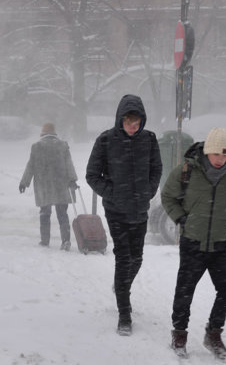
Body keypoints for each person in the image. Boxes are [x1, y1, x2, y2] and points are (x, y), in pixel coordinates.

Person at [161, 127, 226, 361]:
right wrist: (181, 218)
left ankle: (213, 334)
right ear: (207, 152)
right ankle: (179, 334)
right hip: (193, 242)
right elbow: (168, 196)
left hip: (220, 244)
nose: (221, 159)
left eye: (225, 155)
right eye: (216, 154)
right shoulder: (187, 172)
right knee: (185, 290)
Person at [85, 94, 162, 336]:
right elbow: (92, 175)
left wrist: (148, 192)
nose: (133, 127)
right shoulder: (106, 140)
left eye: (137, 123)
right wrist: (113, 194)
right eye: (129, 123)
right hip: (116, 211)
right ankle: (124, 314)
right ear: (121, 120)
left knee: (137, 259)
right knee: (124, 258)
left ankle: (121, 288)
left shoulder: (149, 140)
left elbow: (157, 169)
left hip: (140, 210)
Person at [19, 122, 79, 250]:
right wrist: (72, 179)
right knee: (62, 214)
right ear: (54, 133)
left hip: (44, 185)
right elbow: (69, 164)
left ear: (43, 134)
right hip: (61, 184)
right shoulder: (63, 146)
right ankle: (66, 241)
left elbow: (30, 166)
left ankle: (45, 241)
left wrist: (24, 182)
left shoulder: (37, 147)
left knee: (44, 214)